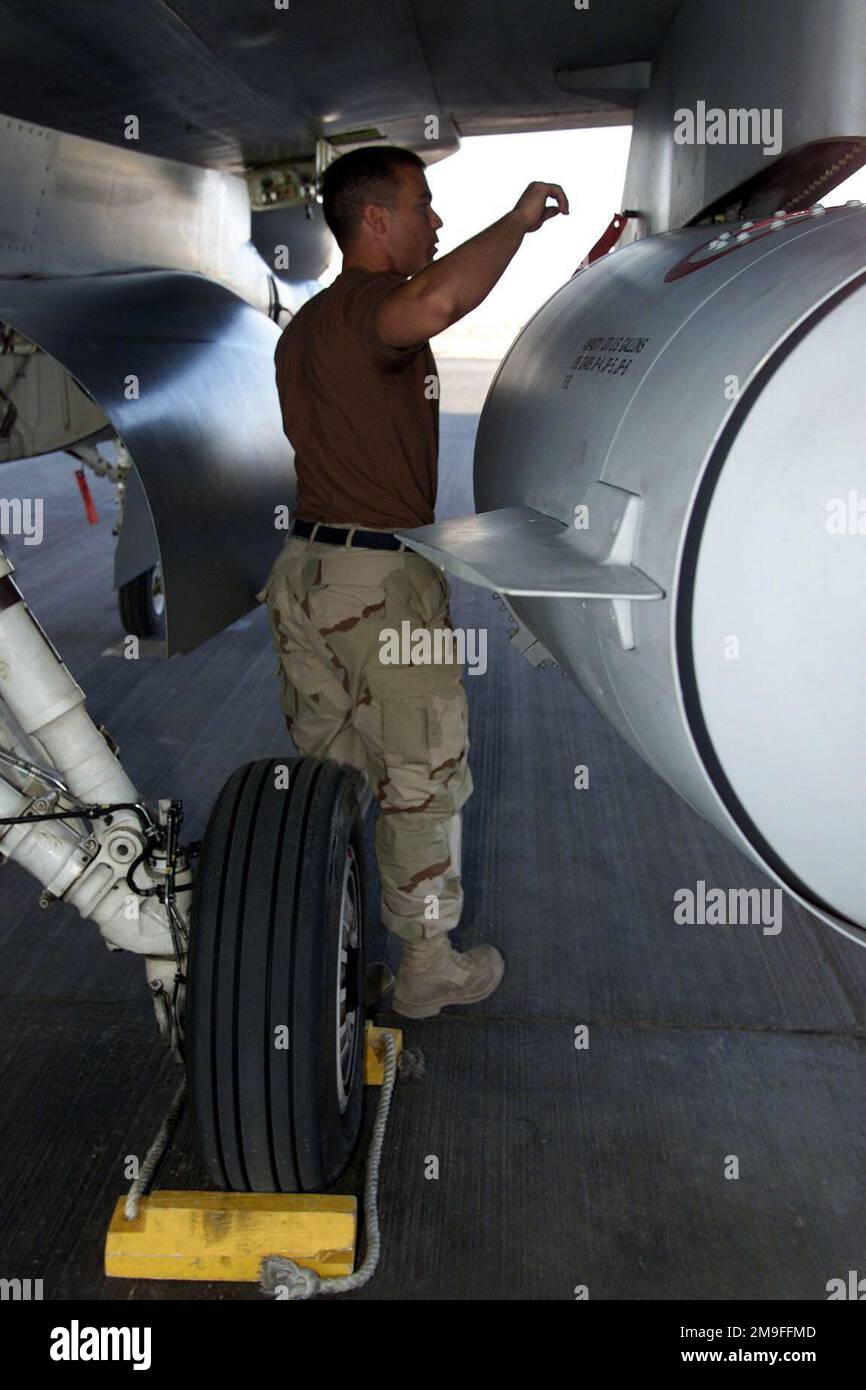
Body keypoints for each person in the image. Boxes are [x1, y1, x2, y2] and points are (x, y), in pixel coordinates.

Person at [257, 145, 568, 1018]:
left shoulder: (305, 328)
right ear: (375, 220)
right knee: (424, 777)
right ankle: (427, 964)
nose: (435, 223)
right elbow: (437, 300)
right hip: (376, 585)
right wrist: (517, 222)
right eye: (423, 205)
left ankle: (327, 938)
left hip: (304, 574)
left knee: (340, 772)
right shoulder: (368, 311)